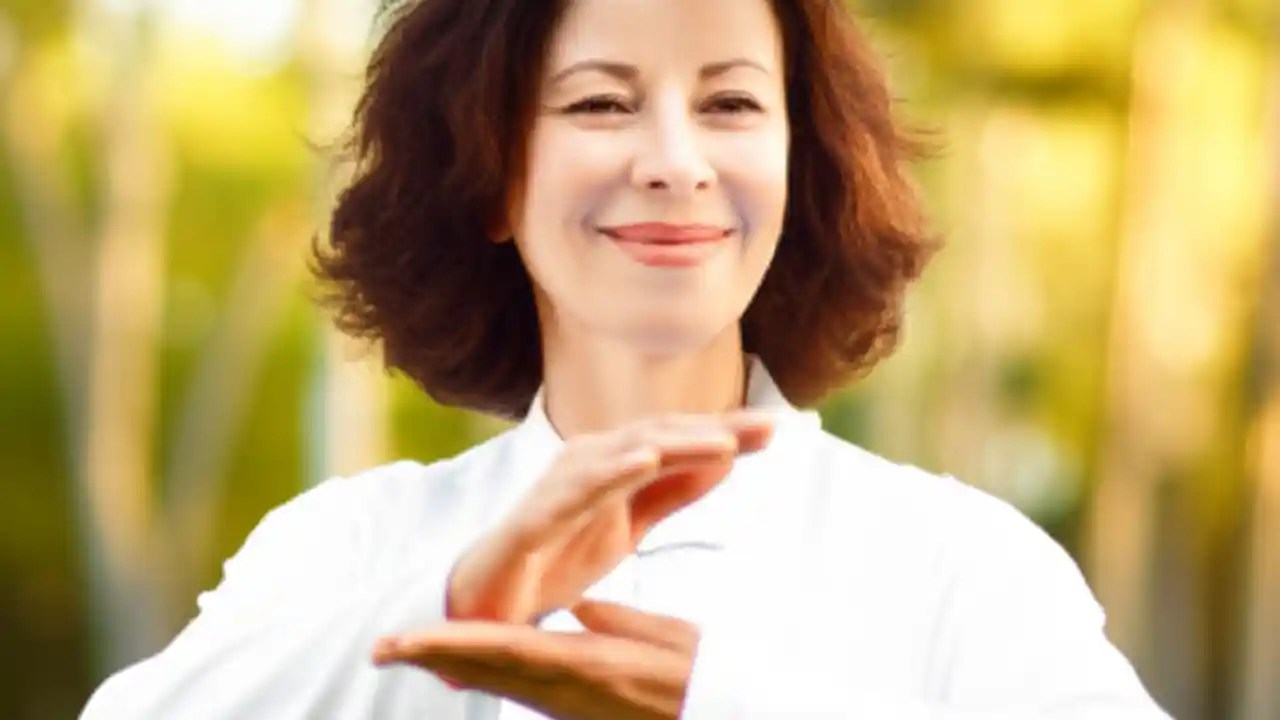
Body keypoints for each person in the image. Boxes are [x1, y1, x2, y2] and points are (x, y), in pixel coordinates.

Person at [80, 0, 1175, 718]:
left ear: (803, 167)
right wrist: (454, 616)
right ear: (491, 179)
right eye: (599, 102)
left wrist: (726, 704)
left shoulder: (962, 565)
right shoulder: (346, 546)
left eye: (731, 104)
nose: (672, 161)